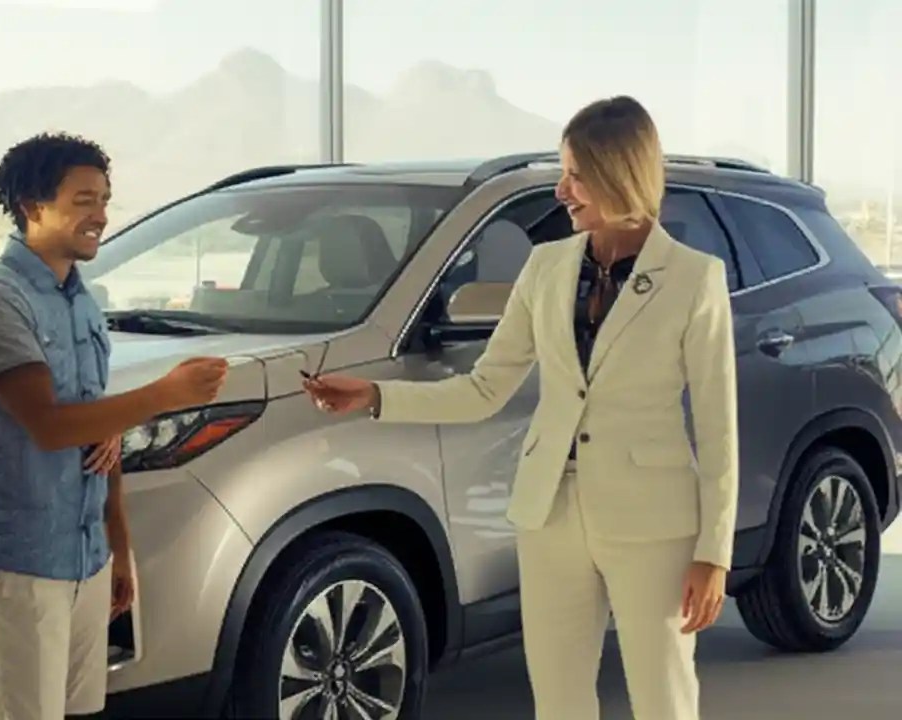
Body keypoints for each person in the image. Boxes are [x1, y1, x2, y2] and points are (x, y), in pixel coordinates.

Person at [303, 96, 738, 720]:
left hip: (653, 520)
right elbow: (484, 388)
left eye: (576, 175)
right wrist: (375, 395)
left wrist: (713, 554)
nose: (562, 191)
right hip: (547, 513)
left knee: (662, 697)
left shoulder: (695, 278)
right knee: (558, 701)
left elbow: (720, 428)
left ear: (619, 173)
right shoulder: (546, 267)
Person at [0, 131, 228, 718]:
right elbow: (50, 426)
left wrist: (118, 548)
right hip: (16, 568)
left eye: (103, 200)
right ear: (32, 206)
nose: (100, 215)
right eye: (82, 201)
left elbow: (100, 431)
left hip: (85, 560)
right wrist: (166, 394)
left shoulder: (81, 300)